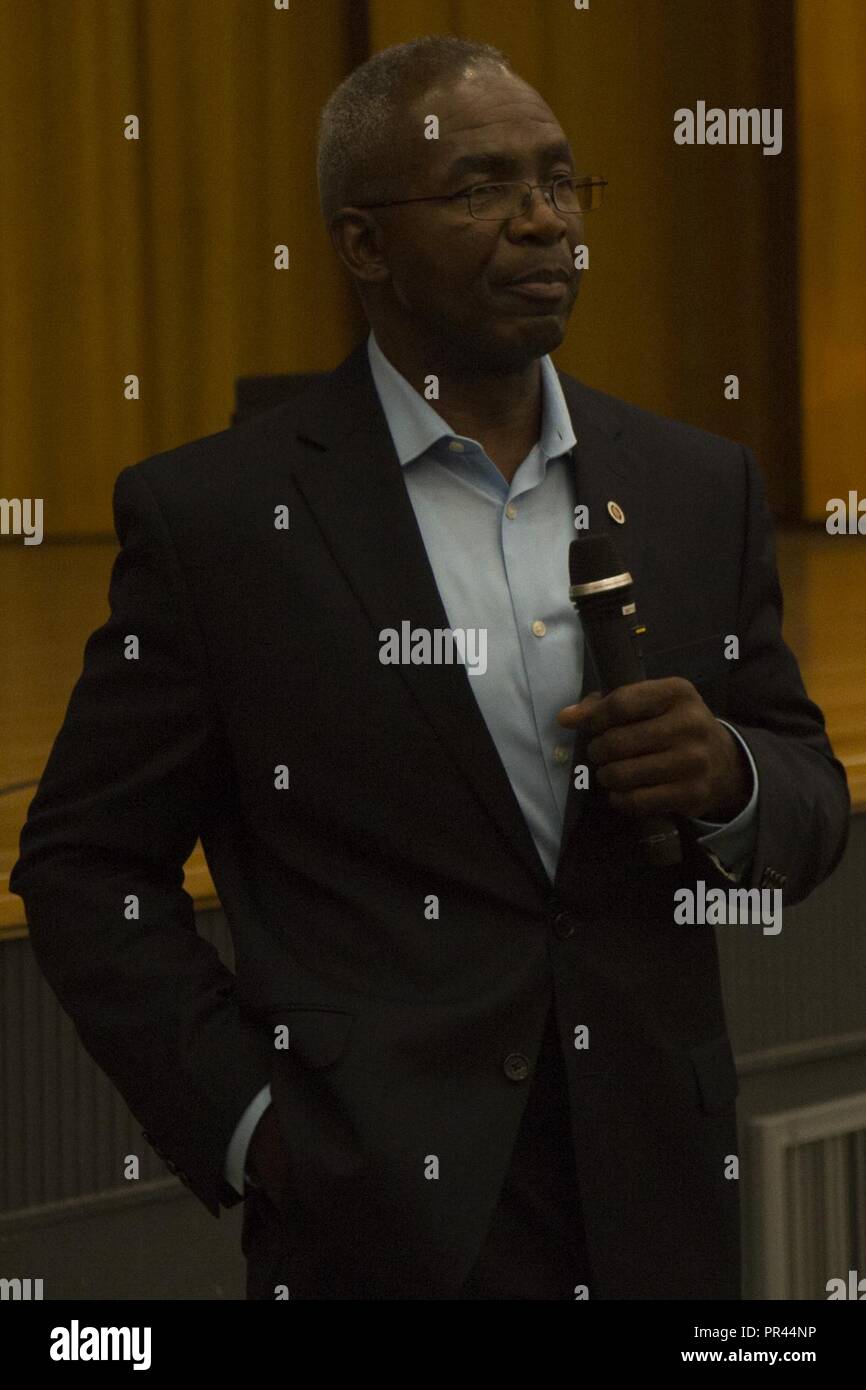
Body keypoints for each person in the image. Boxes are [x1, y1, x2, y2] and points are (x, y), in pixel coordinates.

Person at [11, 35, 850, 1301]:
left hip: (656, 1193)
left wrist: (728, 777)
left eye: (562, 183)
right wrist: (251, 1123)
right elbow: (82, 865)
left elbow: (808, 800)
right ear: (359, 244)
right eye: (479, 189)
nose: (542, 223)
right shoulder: (220, 524)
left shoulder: (697, 485)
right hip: (375, 1219)